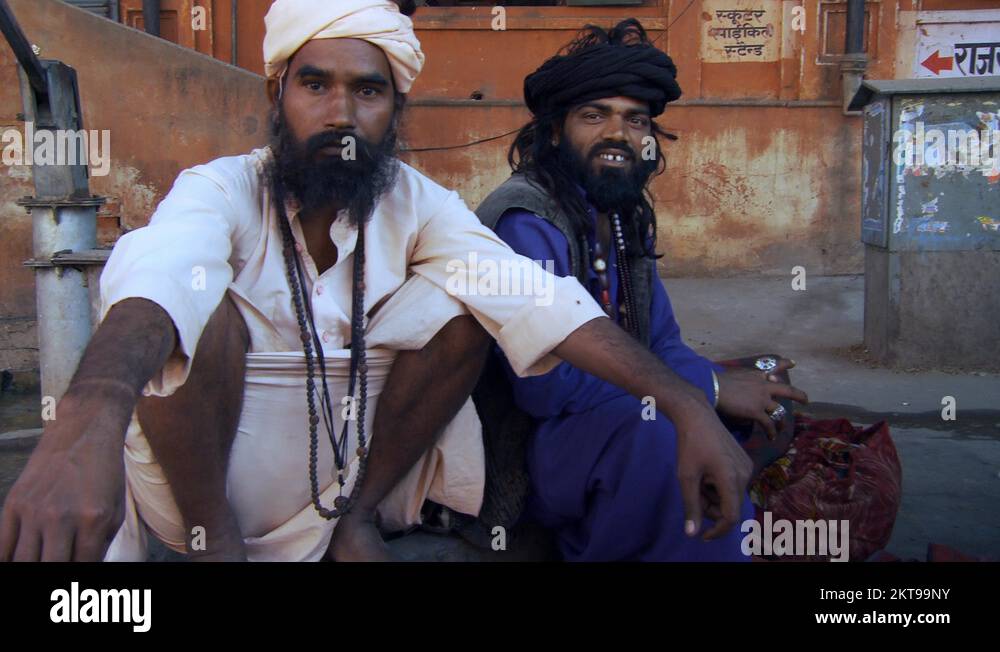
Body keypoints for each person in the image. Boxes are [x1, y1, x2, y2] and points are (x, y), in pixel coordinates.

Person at [0, 1, 752, 563]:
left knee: (467, 303)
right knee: (205, 313)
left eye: (367, 91)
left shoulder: (415, 203)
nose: (340, 113)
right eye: (315, 85)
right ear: (277, 97)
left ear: (395, 110)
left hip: (340, 497)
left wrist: (688, 403)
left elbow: (534, 296)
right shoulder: (221, 189)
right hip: (198, 511)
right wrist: (85, 419)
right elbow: (157, 272)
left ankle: (353, 521)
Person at [476, 19, 808, 561]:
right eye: (594, 116)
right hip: (537, 443)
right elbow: (547, 388)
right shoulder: (525, 218)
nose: (618, 135)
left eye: (635, 121)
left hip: (617, 410)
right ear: (556, 130)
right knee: (667, 433)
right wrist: (711, 392)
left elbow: (663, 343)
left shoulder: (624, 214)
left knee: (769, 379)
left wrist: (722, 386)